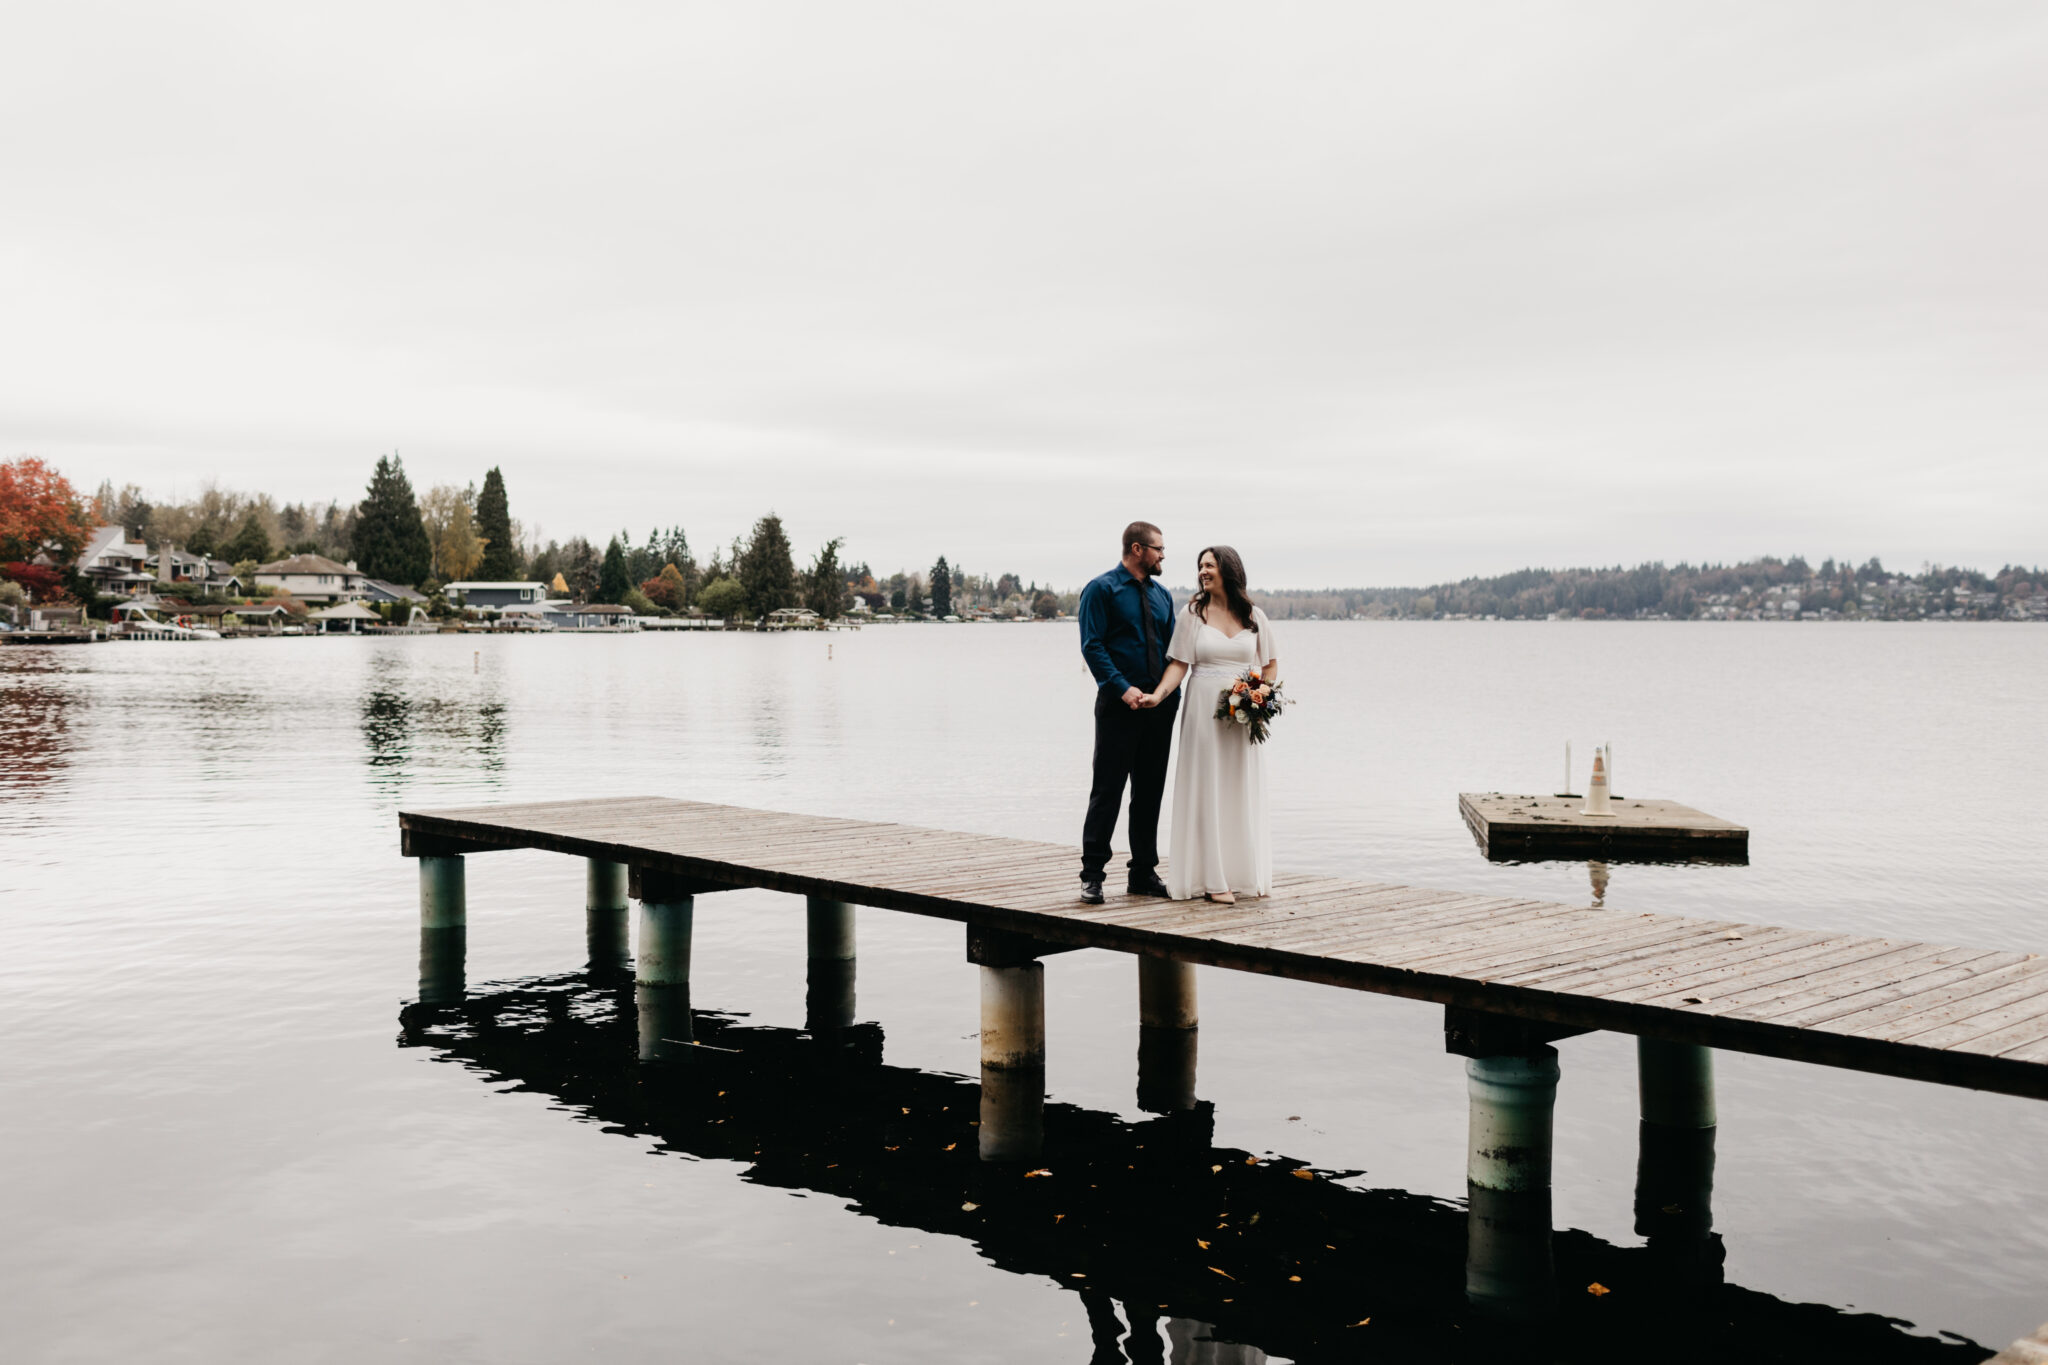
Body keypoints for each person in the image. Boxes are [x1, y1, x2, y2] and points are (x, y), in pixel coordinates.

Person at [1139, 546, 1279, 904]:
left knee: (1237, 786)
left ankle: (1241, 872)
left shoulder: (1254, 616)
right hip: (1203, 708)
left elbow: (1270, 665)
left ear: (1228, 570)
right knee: (1207, 786)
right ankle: (1212, 879)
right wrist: (1157, 696)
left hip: (1241, 715)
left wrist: (1256, 696)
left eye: (1210, 565)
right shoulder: (1193, 614)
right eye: (1200, 566)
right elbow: (1179, 664)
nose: (1203, 571)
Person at [1076, 521, 1178, 905]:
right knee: (1107, 790)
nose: (1163, 555)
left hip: (1160, 708)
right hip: (1119, 708)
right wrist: (1123, 689)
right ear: (1137, 549)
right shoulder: (1101, 589)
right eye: (1158, 549)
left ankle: (1143, 873)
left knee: (1150, 791)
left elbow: (1172, 651)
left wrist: (1166, 695)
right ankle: (1092, 875)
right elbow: (1092, 646)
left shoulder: (1163, 596)